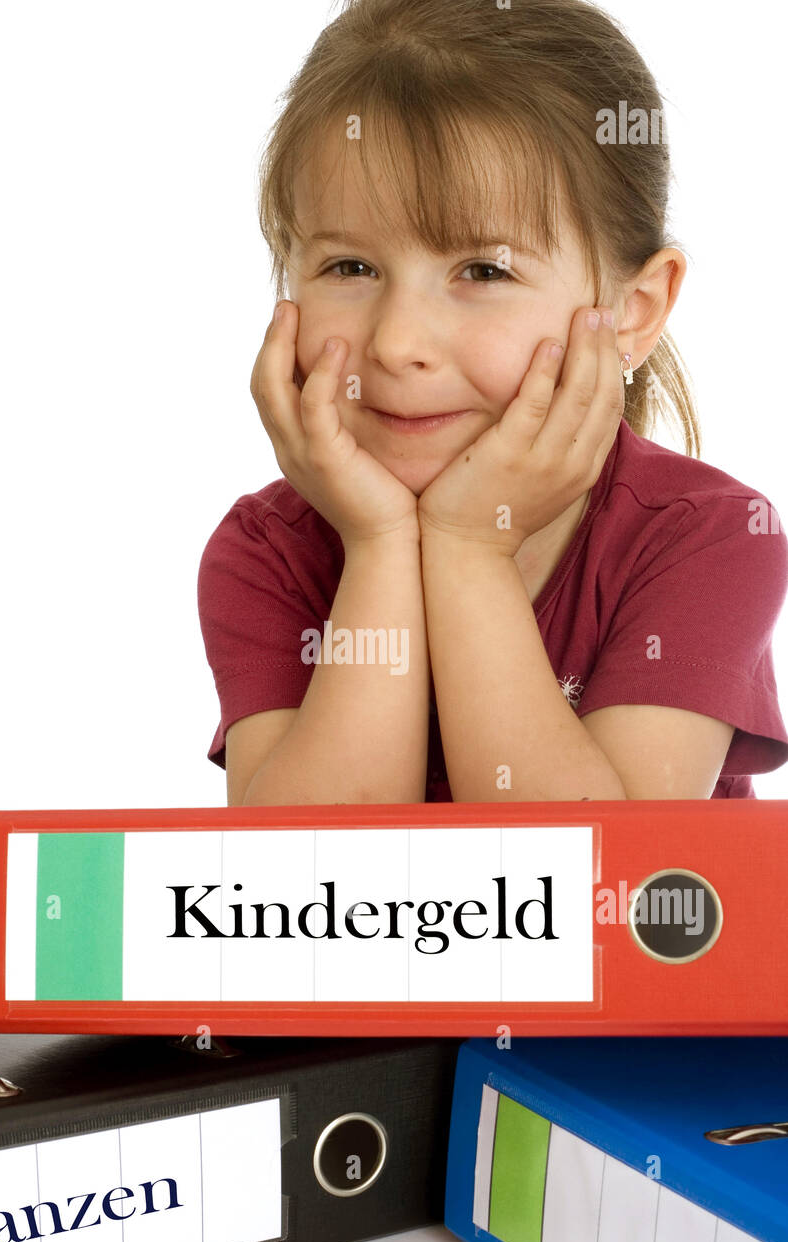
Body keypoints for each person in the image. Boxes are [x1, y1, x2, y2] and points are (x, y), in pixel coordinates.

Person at [197, 0, 788, 805]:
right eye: (349, 269)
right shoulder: (267, 553)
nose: (399, 341)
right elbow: (306, 889)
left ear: (635, 311)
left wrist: (468, 549)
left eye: (484, 271)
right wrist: (377, 544)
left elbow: (597, 892)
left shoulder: (706, 540)